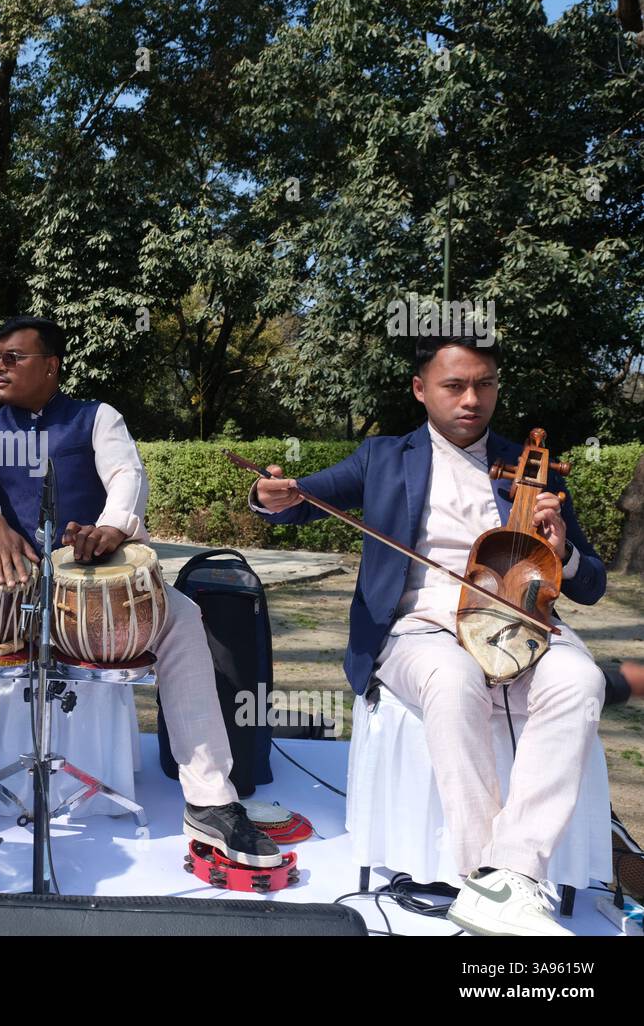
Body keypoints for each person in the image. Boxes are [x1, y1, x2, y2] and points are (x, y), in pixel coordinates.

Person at [250, 333, 611, 936]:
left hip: (518, 617)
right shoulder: (384, 456)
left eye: (485, 384)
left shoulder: (530, 465)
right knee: (453, 679)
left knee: (578, 679)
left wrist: (562, 549)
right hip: (418, 622)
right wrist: (274, 497)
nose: (472, 399)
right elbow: (304, 499)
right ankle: (482, 875)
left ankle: (512, 872)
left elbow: (592, 584)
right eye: (455, 386)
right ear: (421, 391)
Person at [0, 315, 281, 868]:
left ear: (51, 366)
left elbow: (127, 476)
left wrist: (112, 528)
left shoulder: (97, 418)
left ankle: (210, 799)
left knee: (185, 619)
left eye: (14, 357)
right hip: (6, 582)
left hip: (92, 583)